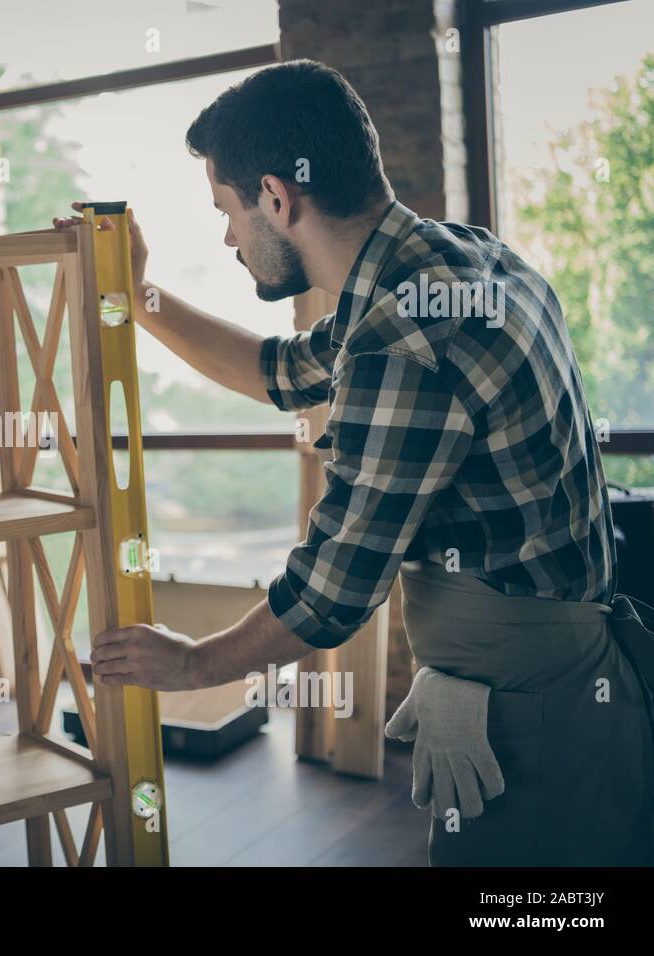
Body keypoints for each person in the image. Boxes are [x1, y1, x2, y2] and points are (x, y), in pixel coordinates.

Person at [53, 59, 653, 866]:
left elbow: (331, 594)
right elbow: (279, 371)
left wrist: (193, 663)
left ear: (276, 196)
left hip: (536, 707)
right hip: (551, 675)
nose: (228, 239)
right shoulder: (458, 263)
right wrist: (142, 295)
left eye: (227, 212)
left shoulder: (400, 337)